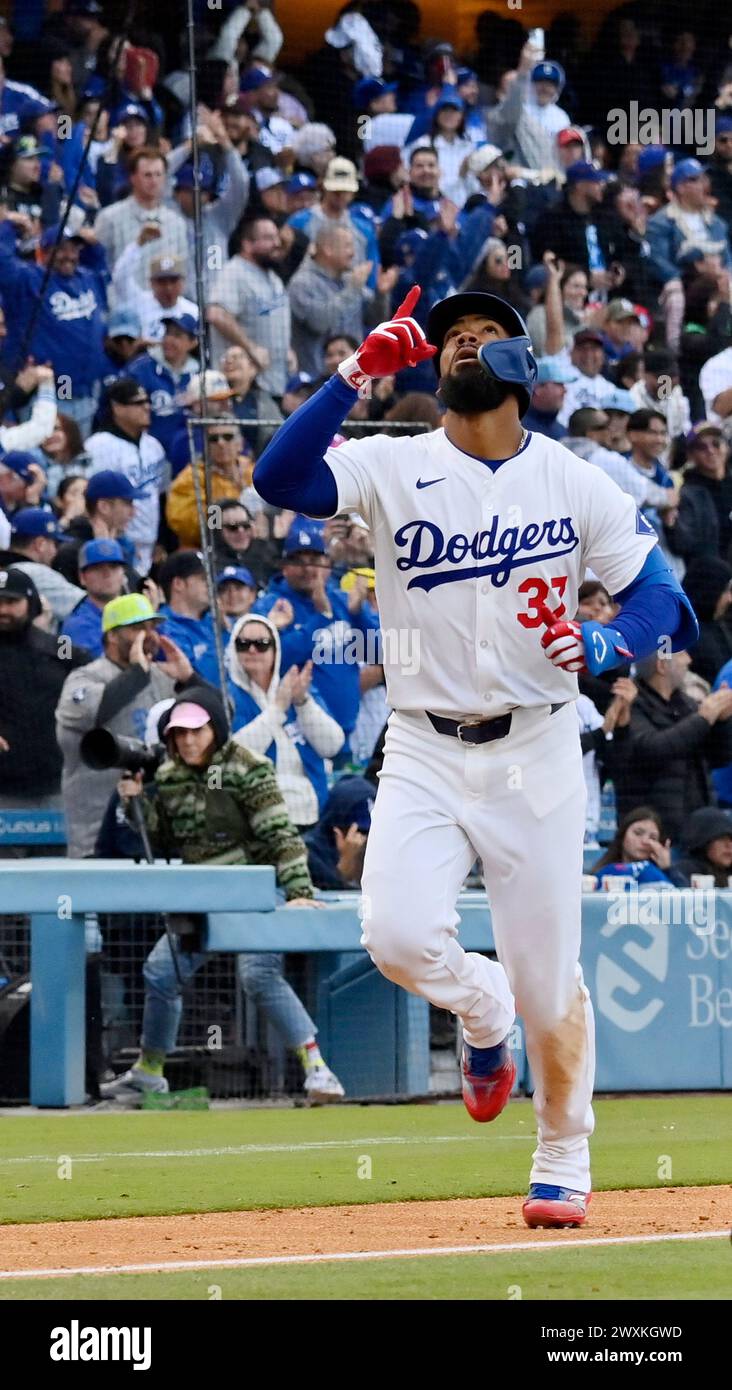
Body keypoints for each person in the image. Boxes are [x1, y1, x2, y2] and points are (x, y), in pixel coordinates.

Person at [252, 283, 696, 1229]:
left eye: (485, 334)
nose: (462, 344)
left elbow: (664, 598)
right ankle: (483, 1013)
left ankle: (564, 1151)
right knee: (397, 936)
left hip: (536, 745)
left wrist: (615, 645)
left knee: (550, 977)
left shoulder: (576, 481)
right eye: (451, 334)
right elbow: (279, 482)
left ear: (522, 366)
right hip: (420, 744)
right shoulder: (391, 462)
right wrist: (354, 375)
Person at [103, 684, 345, 1105]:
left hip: (251, 891)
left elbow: (280, 835)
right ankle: (150, 1071)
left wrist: (298, 891)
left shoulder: (248, 768)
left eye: (197, 731)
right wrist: (134, 806)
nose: (188, 740)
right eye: (179, 733)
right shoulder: (168, 776)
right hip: (200, 895)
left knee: (258, 975)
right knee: (161, 972)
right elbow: (159, 841)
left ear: (215, 729)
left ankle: (318, 1070)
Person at [55, 592, 198, 858]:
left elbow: (212, 721)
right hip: (95, 834)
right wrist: (137, 674)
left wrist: (190, 681)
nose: (150, 636)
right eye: (137, 629)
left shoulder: (160, 677)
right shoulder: (85, 677)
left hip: (156, 830)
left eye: (152, 628)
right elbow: (97, 710)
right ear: (112, 635)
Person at [226, 613, 344, 829]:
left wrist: (302, 703)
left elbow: (332, 746)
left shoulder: (296, 687)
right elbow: (235, 755)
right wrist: (277, 709)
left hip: (312, 810)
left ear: (275, 650)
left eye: (261, 644)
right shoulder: (228, 698)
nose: (252, 650)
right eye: (243, 644)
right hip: (261, 815)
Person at [0, 568, 88, 840]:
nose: (3, 610)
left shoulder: (58, 648)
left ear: (32, 603)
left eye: (12, 602)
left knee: (61, 876)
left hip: (56, 787)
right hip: (4, 791)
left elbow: (96, 680)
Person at [612, 649, 732, 843]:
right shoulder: (631, 703)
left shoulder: (688, 704)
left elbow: (719, 758)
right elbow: (652, 748)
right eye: (681, 653)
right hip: (654, 833)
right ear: (662, 665)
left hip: (695, 831)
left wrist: (722, 721)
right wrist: (704, 718)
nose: (689, 659)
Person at [0, 222, 105, 440]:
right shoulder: (30, 280)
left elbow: (101, 267)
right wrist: (9, 227)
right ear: (44, 252)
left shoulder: (86, 278)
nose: (68, 255)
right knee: (53, 447)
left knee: (74, 453)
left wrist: (94, 246)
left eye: (74, 248)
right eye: (61, 249)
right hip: (56, 387)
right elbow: (3, 263)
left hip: (88, 387)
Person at [85, 377, 166, 575]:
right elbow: (91, 500)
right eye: (138, 403)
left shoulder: (154, 446)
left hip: (149, 543)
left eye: (148, 401)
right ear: (117, 407)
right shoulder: (98, 446)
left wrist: (161, 540)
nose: (147, 407)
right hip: (117, 541)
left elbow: (161, 494)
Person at [206, 216, 291, 399]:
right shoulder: (234, 272)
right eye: (268, 238)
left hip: (273, 381)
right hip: (242, 385)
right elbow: (216, 314)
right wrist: (251, 348)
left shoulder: (272, 276)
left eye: (276, 237)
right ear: (247, 244)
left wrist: (287, 349)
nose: (277, 243)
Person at [94, 146, 188, 289]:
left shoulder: (176, 223)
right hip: (123, 305)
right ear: (133, 177)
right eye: (147, 175)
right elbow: (100, 269)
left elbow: (182, 271)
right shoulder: (109, 218)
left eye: (158, 174)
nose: (154, 181)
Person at [166, 418, 248, 550]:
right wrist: (223, 519)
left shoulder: (252, 471)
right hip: (205, 549)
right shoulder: (191, 478)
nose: (221, 443)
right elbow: (185, 523)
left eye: (228, 437)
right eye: (213, 439)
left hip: (251, 547)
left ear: (240, 444)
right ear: (205, 445)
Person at [156, 550, 220, 685]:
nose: (210, 585)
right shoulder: (164, 630)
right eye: (203, 578)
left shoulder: (215, 620)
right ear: (178, 584)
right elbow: (197, 679)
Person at [60, 538, 127, 657]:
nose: (107, 574)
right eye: (97, 568)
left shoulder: (135, 613)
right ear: (82, 577)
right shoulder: (75, 625)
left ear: (123, 573)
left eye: (113, 567)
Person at [304, 774, 374, 889]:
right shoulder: (310, 853)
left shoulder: (375, 849)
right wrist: (345, 865)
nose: (364, 839)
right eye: (360, 831)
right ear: (337, 831)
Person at [592, 806, 674, 886]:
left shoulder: (659, 876)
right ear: (623, 835)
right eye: (638, 833)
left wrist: (667, 868)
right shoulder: (603, 873)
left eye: (653, 838)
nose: (645, 841)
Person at [671, 806, 732, 888]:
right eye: (721, 839)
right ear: (703, 842)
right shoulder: (683, 872)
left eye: (731, 839)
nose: (729, 845)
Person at [216, 564, 257, 629]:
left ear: (252, 594)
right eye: (224, 589)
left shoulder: (265, 624)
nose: (232, 594)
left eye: (238, 588)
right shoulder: (208, 628)